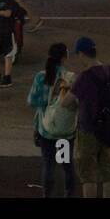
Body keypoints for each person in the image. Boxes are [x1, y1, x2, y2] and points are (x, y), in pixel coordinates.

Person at [61, 36, 110, 198]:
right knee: (107, 169)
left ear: (82, 54)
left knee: (88, 174)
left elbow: (65, 103)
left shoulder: (84, 77)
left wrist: (66, 88)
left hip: (88, 129)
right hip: (108, 128)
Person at [28, 43, 77, 197]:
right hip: (65, 130)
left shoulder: (41, 76)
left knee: (48, 163)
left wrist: (45, 106)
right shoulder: (70, 77)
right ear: (65, 57)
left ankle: (47, 195)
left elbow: (32, 101)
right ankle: (69, 193)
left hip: (46, 128)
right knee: (67, 164)